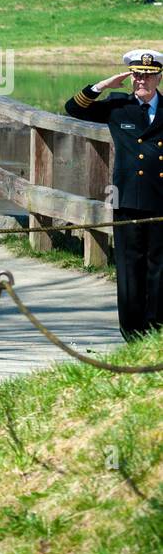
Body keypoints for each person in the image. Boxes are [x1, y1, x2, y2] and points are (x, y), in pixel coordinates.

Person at [65, 49, 163, 339]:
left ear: (158, 76)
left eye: (147, 75)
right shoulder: (117, 106)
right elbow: (73, 109)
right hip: (127, 198)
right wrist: (103, 86)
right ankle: (132, 333)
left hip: (161, 198)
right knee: (129, 267)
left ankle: (156, 330)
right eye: (136, 75)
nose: (141, 81)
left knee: (159, 267)